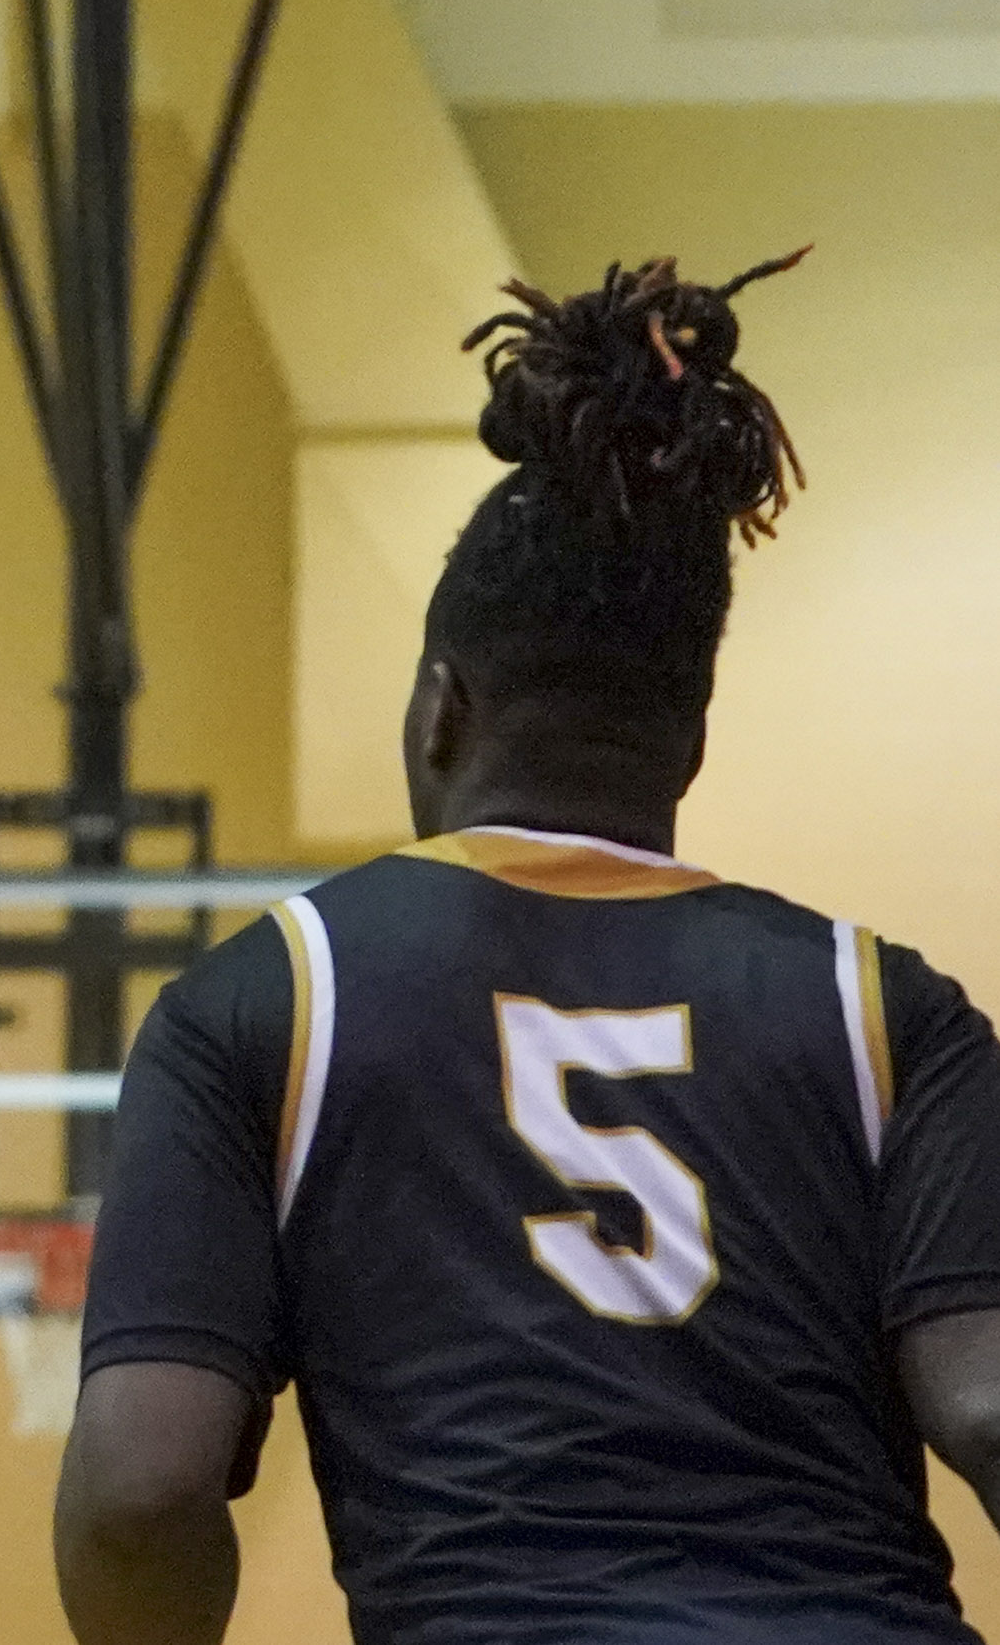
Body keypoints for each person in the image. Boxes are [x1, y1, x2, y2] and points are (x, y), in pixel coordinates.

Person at [57, 254, 1000, 1645]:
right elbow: (986, 1402)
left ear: (443, 706)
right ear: (688, 732)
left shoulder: (264, 1000)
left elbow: (142, 1489)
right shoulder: (888, 1010)